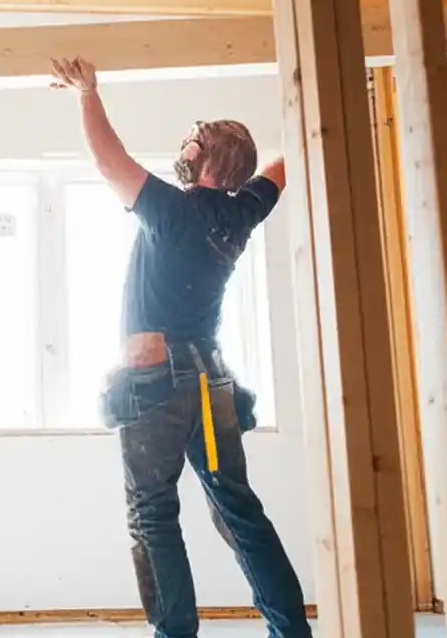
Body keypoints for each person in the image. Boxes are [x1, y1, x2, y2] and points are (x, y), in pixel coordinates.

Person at [49, 57, 311, 638]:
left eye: (193, 142)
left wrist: (88, 92)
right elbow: (280, 167)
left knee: (153, 515)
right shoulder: (243, 212)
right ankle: (292, 632)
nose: (184, 148)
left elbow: (108, 160)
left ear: (212, 159)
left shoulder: (172, 212)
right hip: (211, 386)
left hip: (159, 387)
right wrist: (317, 108)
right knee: (238, 510)